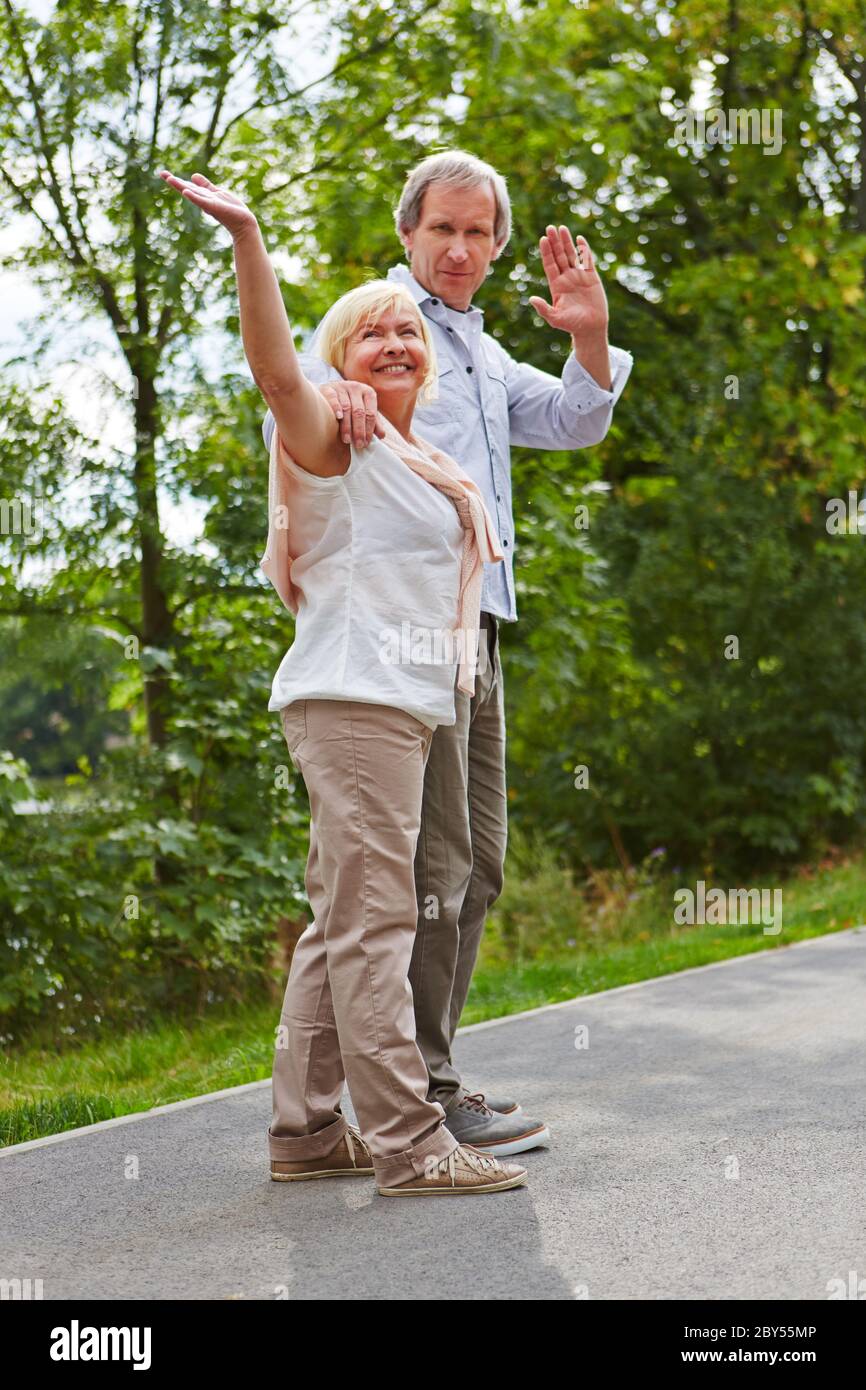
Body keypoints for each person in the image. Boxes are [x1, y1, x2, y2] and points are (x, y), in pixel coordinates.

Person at [158, 166, 528, 1197]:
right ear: (341, 361)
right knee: (379, 920)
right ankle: (410, 1145)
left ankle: (305, 1130)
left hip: (398, 706)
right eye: (372, 334)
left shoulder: (415, 460)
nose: (399, 342)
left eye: (408, 332)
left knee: (337, 919)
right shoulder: (334, 438)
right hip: (356, 698)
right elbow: (279, 377)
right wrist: (247, 239)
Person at [263, 150, 634, 1154]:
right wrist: (335, 389)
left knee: (476, 866)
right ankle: (425, 1091)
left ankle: (363, 1096)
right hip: (403, 636)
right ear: (408, 234)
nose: (462, 250)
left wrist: (590, 334)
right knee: (423, 871)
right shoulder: (384, 332)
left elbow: (570, 420)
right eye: (444, 231)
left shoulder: (478, 354)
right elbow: (308, 389)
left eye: (479, 233)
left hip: (481, 625)